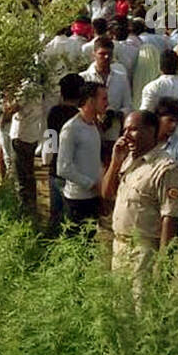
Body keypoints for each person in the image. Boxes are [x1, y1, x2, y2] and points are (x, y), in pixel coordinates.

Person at [101, 109, 178, 296]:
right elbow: (106, 194)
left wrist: (163, 264)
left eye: (133, 130)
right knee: (119, 308)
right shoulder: (127, 160)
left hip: (144, 251)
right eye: (124, 130)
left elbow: (169, 218)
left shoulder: (166, 168)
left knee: (142, 309)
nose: (126, 136)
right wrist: (115, 162)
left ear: (151, 131)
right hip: (120, 245)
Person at [57, 81, 107, 228]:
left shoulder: (93, 126)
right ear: (91, 101)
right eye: (103, 99)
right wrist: (91, 185)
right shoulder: (71, 128)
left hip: (93, 198)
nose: (107, 103)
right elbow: (63, 168)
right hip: (77, 201)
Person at [44, 73, 84, 233]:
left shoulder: (54, 112)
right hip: (76, 172)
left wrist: (48, 162)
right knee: (72, 219)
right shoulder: (83, 117)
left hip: (56, 170)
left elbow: (50, 143)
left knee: (56, 215)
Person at [139, 49, 178, 143]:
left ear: (159, 67)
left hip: (156, 142)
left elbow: (144, 115)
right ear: (177, 67)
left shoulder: (151, 87)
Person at [3, 80, 44, 223]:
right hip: (33, 134)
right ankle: (32, 210)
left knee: (21, 177)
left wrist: (6, 98)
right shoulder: (38, 87)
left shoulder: (26, 87)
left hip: (22, 135)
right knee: (29, 176)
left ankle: (25, 213)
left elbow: (11, 109)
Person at [81, 37, 132, 150]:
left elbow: (128, 106)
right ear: (94, 54)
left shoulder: (121, 78)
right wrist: (96, 117)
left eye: (109, 54)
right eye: (102, 54)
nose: (106, 57)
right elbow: (79, 107)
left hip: (113, 134)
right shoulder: (84, 78)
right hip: (88, 134)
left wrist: (114, 115)